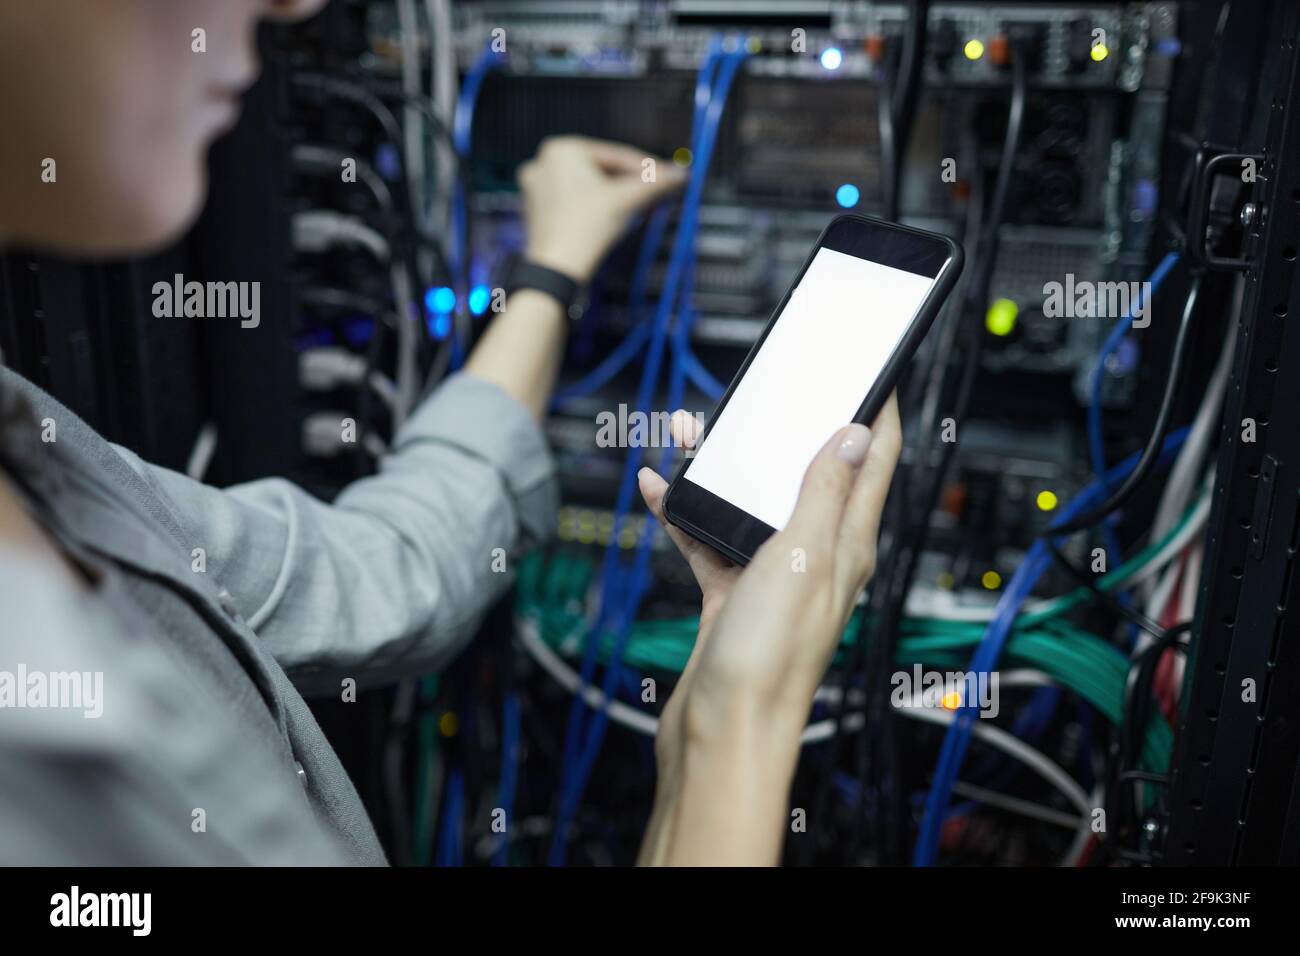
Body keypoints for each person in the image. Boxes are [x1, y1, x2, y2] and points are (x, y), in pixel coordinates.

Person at [0, 0, 900, 866]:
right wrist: (751, 708)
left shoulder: (41, 458)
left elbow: (384, 564)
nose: (295, 4)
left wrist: (548, 272)